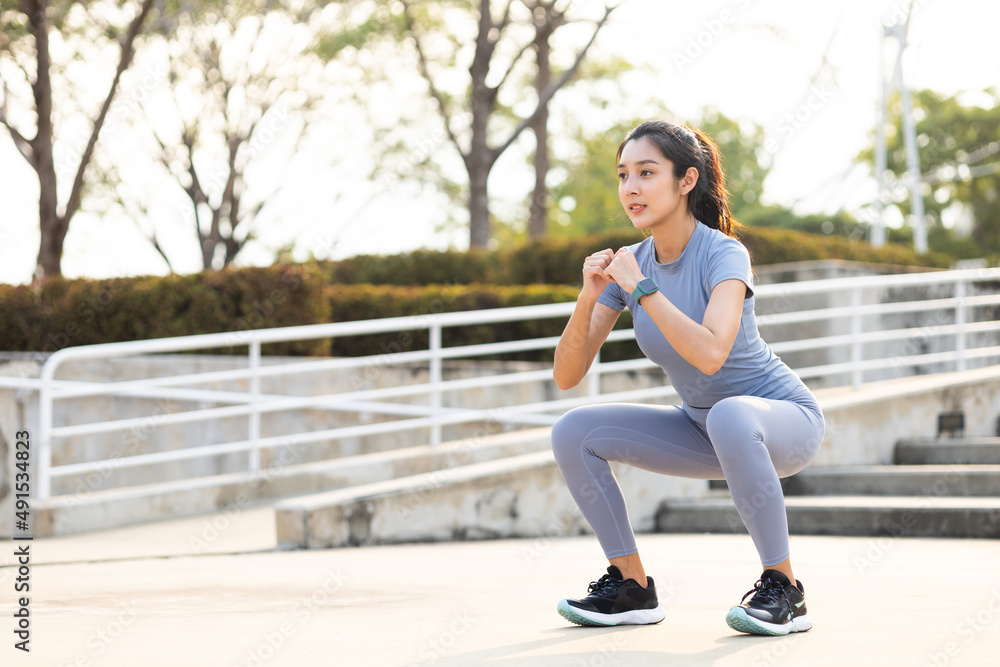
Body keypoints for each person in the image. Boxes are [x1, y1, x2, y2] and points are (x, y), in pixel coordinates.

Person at [550, 120, 825, 636]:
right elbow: (568, 374)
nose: (631, 187)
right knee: (572, 430)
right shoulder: (631, 266)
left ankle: (784, 588)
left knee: (731, 413)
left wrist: (644, 288)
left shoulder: (723, 253)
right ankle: (631, 586)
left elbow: (711, 355)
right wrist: (590, 295)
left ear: (686, 180)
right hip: (704, 428)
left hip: (782, 423)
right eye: (623, 174)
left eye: (647, 173)